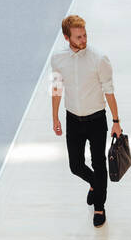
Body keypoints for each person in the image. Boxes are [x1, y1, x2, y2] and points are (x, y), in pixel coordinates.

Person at [50, 15, 121, 228]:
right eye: (78, 37)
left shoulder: (99, 59)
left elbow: (109, 91)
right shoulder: (58, 59)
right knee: (76, 165)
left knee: (99, 164)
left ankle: (99, 207)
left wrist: (116, 121)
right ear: (66, 37)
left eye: (85, 35)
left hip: (96, 119)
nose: (83, 40)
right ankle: (94, 184)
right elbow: (56, 88)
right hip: (72, 119)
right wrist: (55, 117)